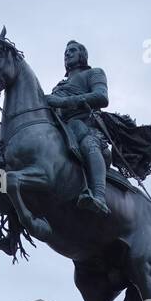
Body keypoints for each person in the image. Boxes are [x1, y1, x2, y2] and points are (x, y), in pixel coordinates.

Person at [44, 41, 111, 215]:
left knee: (89, 144)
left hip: (86, 127)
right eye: (65, 52)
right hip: (61, 129)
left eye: (72, 50)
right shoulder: (58, 86)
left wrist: (63, 102)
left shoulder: (94, 73)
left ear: (82, 55)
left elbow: (102, 97)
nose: (67, 54)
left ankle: (99, 197)